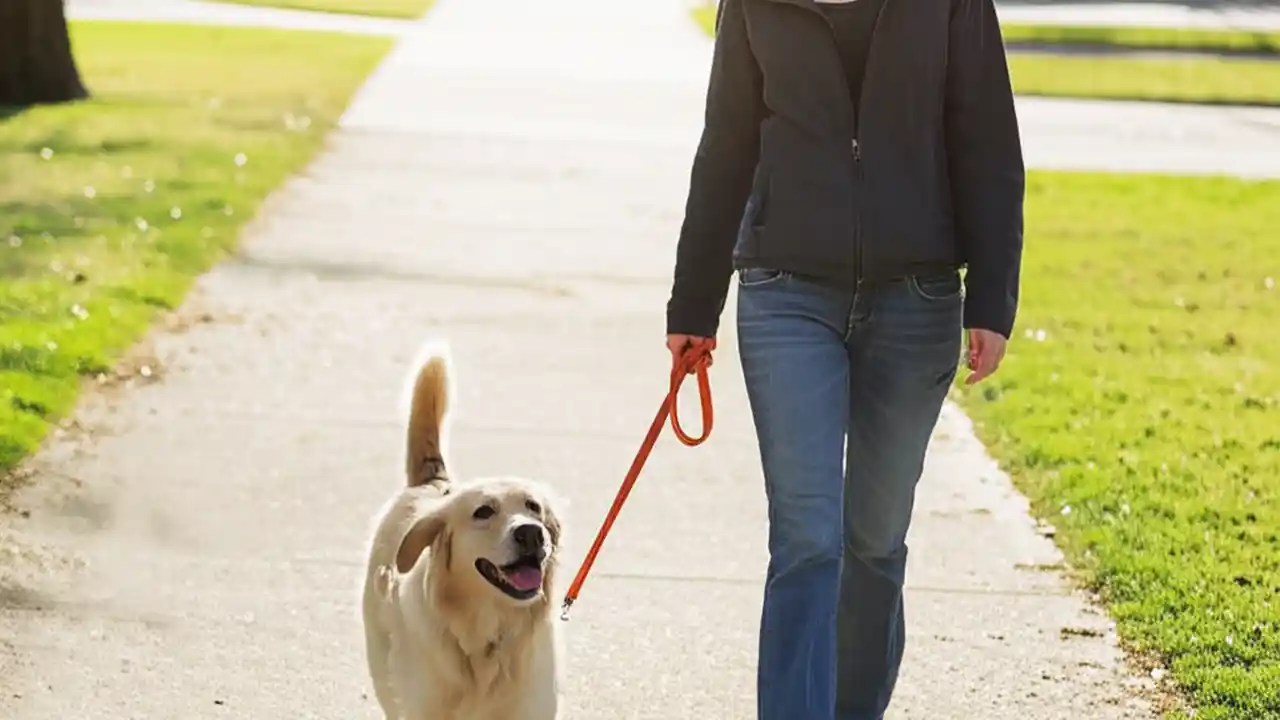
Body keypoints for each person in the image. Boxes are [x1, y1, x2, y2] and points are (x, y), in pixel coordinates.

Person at [665, 0, 1025, 718]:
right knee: (806, 538)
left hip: (916, 297)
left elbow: (985, 137)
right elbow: (728, 146)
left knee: (874, 541)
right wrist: (693, 306)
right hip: (785, 293)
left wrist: (992, 296)